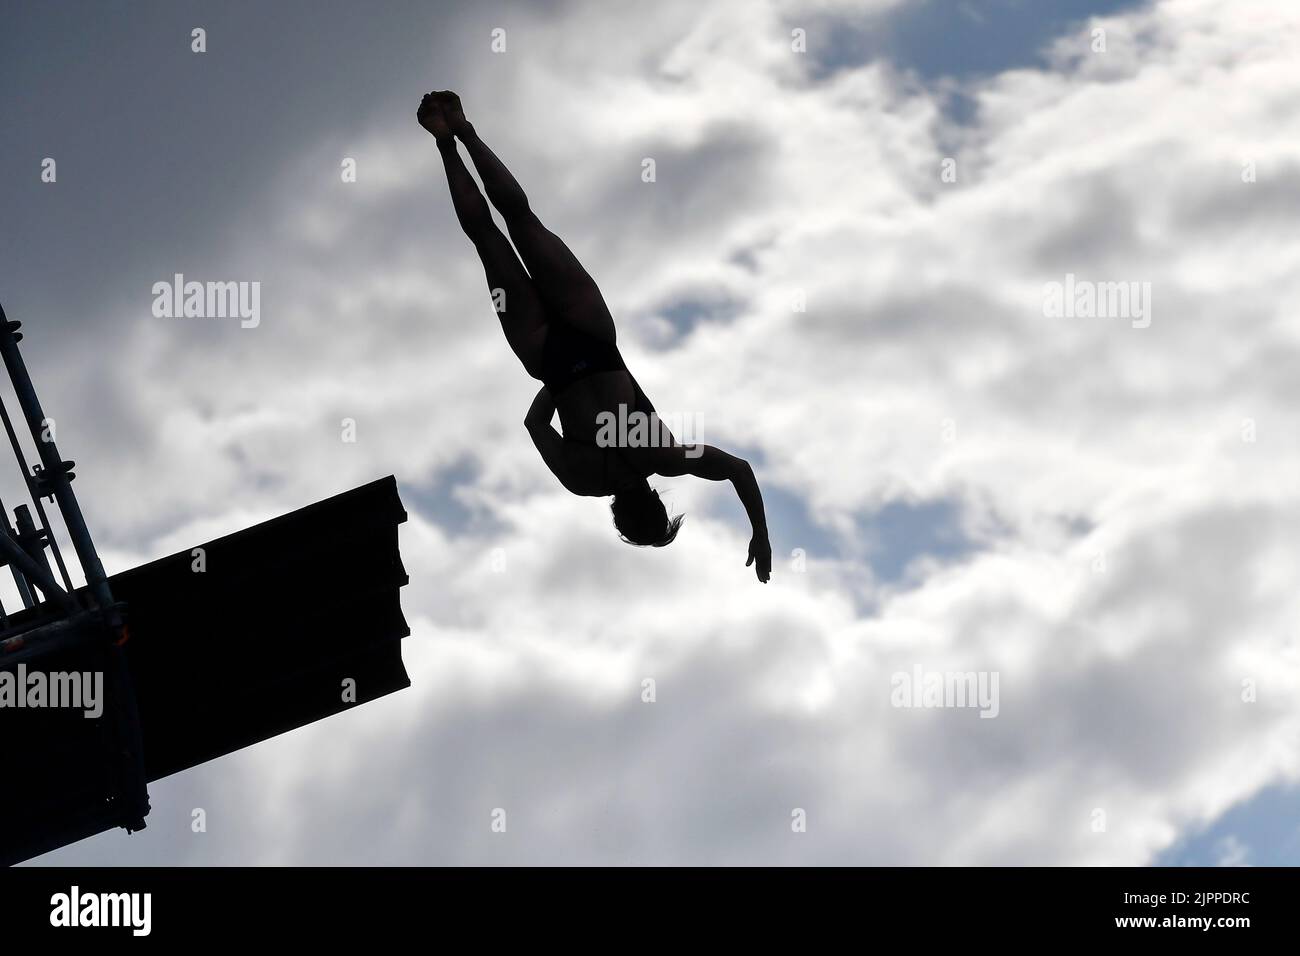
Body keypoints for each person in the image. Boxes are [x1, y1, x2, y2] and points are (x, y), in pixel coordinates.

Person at [419, 91, 771, 582]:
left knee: (522, 223)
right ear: (618, 518)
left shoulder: (659, 455)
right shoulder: (585, 481)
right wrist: (559, 384)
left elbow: (739, 469)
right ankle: (444, 143)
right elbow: (536, 425)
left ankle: (463, 129)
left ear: (654, 499)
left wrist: (762, 532)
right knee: (489, 242)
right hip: (548, 356)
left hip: (592, 337)